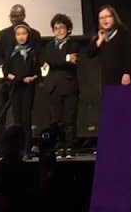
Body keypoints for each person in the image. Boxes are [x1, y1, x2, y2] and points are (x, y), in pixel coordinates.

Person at [39, 13, 80, 157]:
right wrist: (65, 58)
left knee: (69, 119)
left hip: (68, 86)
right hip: (53, 86)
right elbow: (45, 59)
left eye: (61, 28)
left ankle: (70, 147)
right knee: (55, 120)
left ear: (68, 29)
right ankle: (59, 146)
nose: (58, 31)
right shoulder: (48, 46)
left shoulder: (73, 44)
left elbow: (70, 62)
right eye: (55, 28)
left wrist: (58, 60)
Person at [2, 24, 40, 155]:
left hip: (28, 88)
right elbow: (6, 71)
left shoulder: (32, 52)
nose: (21, 36)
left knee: (26, 118)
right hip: (15, 88)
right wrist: (17, 79)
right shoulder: (11, 53)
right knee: (17, 118)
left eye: (24, 33)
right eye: (18, 34)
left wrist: (32, 78)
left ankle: (27, 149)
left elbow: (37, 71)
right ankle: (17, 148)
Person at [84, 5, 131, 87]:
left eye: (107, 16)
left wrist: (127, 73)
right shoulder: (100, 36)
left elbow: (129, 55)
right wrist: (100, 40)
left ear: (114, 17)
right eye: (101, 18)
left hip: (123, 79)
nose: (104, 20)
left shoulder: (124, 34)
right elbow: (89, 53)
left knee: (125, 99)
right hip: (108, 81)